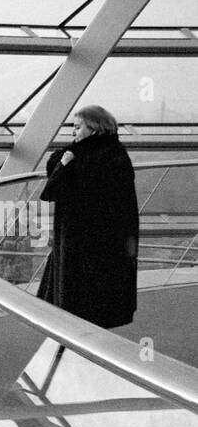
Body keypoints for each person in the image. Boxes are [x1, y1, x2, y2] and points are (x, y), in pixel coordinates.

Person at [37, 104, 138, 329]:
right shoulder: (115, 155)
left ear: (94, 128)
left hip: (78, 239)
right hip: (105, 241)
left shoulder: (76, 157)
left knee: (74, 297)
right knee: (96, 301)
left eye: (77, 127)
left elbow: (50, 192)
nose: (73, 132)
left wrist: (63, 164)